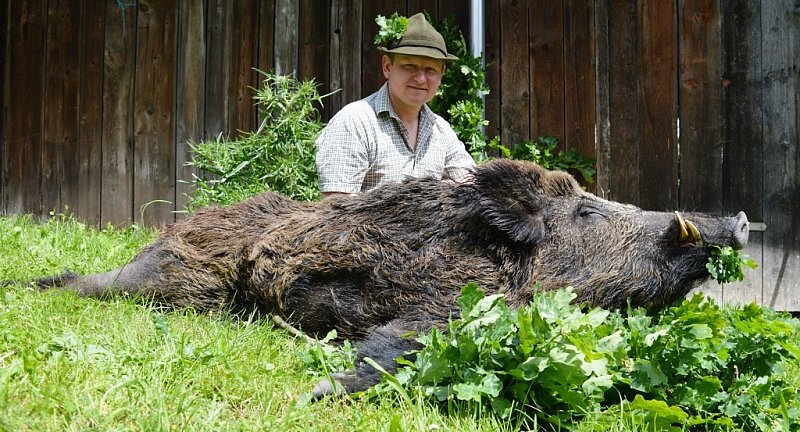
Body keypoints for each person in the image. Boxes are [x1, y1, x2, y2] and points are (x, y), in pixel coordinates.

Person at [315, 13, 475, 198]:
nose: (421, 78)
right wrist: (441, 191)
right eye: (410, 65)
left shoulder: (440, 130)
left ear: (442, 73)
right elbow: (337, 207)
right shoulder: (354, 123)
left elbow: (471, 186)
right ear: (387, 66)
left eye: (430, 69)